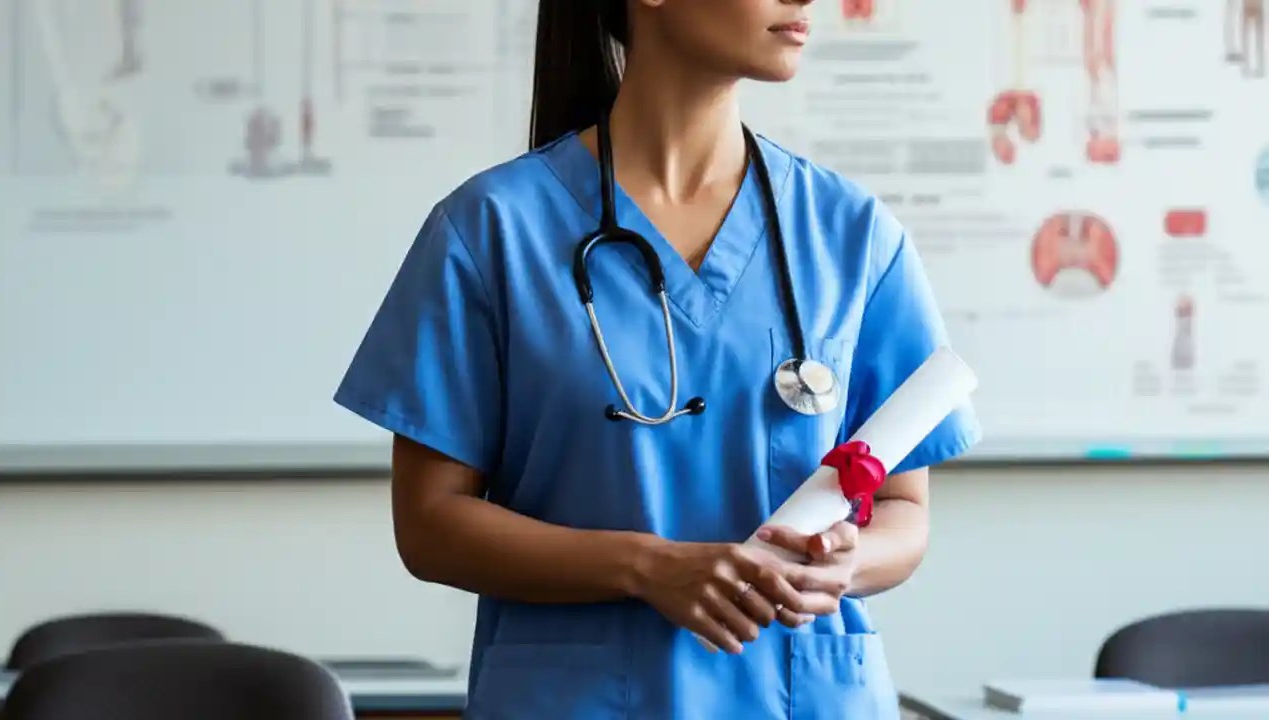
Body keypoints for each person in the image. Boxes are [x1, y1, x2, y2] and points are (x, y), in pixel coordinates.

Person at [333, 0, 982, 717]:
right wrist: (647, 569)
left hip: (806, 694)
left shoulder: (852, 235)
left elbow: (902, 513)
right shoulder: (492, 229)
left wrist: (844, 564)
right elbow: (430, 526)